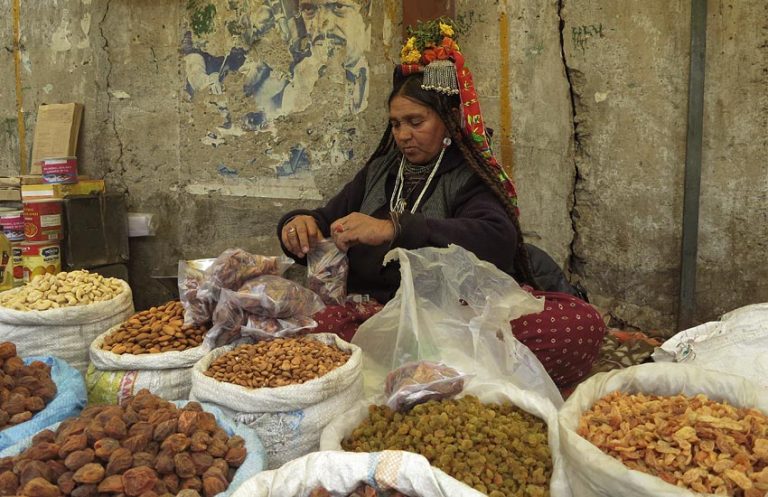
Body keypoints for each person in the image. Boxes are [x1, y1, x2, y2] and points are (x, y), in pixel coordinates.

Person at [277, 19, 605, 389]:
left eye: (415, 122)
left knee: (579, 325)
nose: (403, 135)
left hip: (458, 318)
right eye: (396, 124)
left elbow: (498, 238)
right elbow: (324, 220)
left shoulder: (467, 174)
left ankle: (425, 370)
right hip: (380, 315)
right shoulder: (381, 170)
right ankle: (438, 372)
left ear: (448, 122)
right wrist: (298, 224)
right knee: (307, 329)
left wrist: (395, 228)